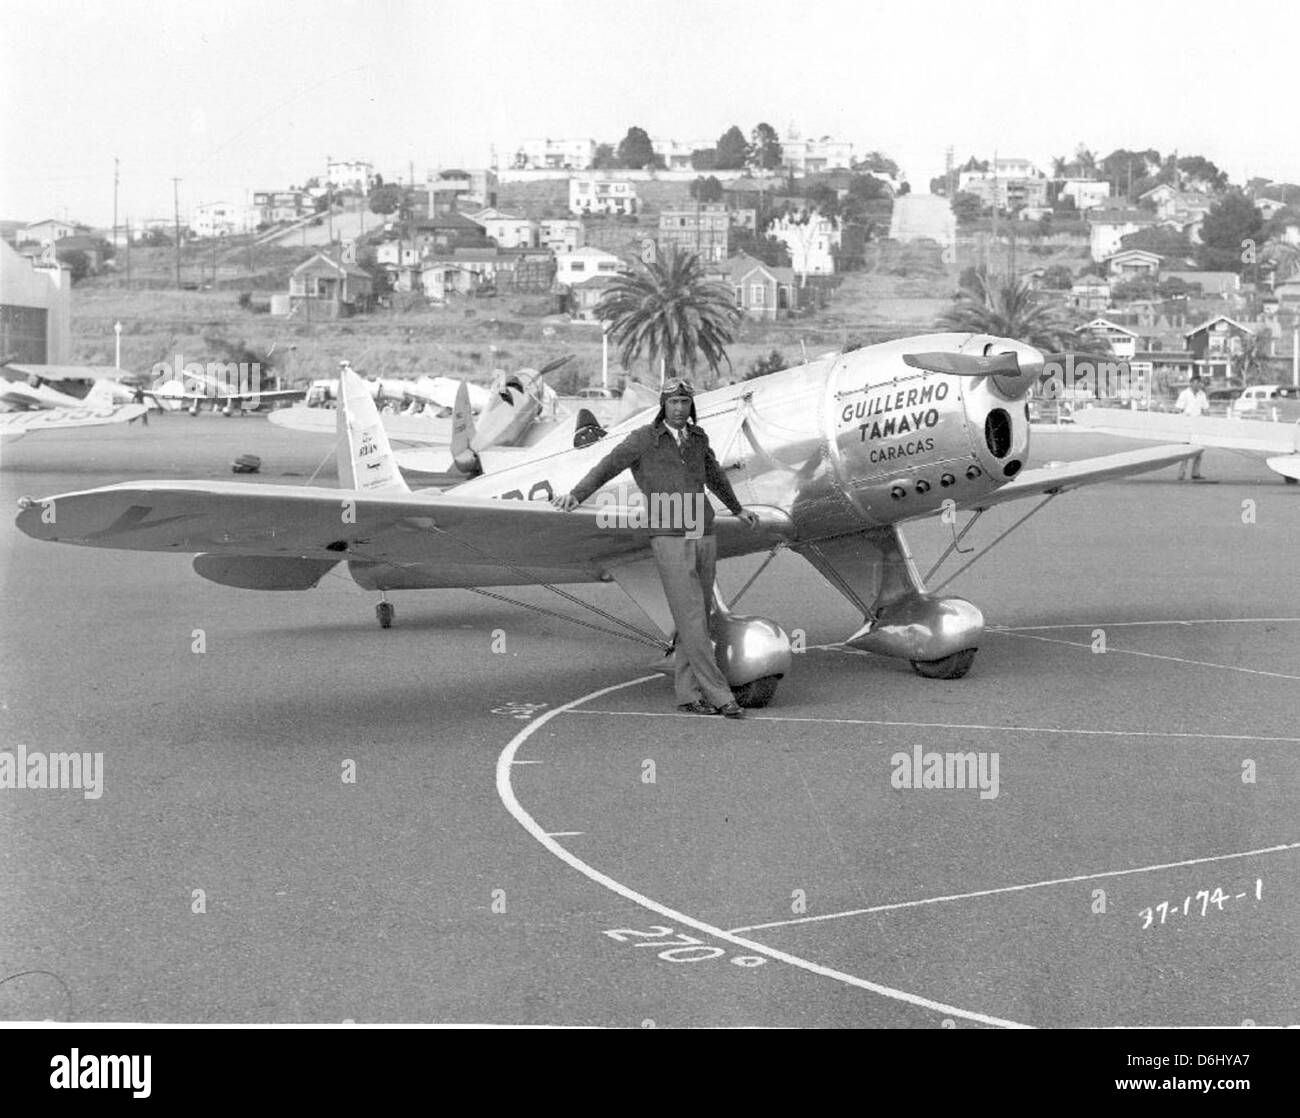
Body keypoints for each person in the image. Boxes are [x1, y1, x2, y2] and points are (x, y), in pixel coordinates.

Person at [553, 378, 759, 717]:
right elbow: (606, 467)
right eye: (673, 402)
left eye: (684, 402)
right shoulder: (642, 440)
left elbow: (714, 475)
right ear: (662, 405)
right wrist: (577, 494)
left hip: (702, 530)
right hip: (669, 535)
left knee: (699, 618)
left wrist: (737, 509)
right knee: (692, 620)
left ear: (691, 406)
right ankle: (720, 695)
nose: (679, 408)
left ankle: (687, 695)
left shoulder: (697, 439)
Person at [1174, 375, 1208, 480]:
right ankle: (1181, 474)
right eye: (1197, 383)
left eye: (1200, 383)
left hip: (1198, 426)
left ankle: (1195, 473)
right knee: (1185, 451)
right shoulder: (1184, 394)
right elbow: (1178, 409)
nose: (1199, 385)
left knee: (1199, 451)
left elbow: (1206, 409)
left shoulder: (1202, 394)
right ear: (1191, 383)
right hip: (1187, 426)